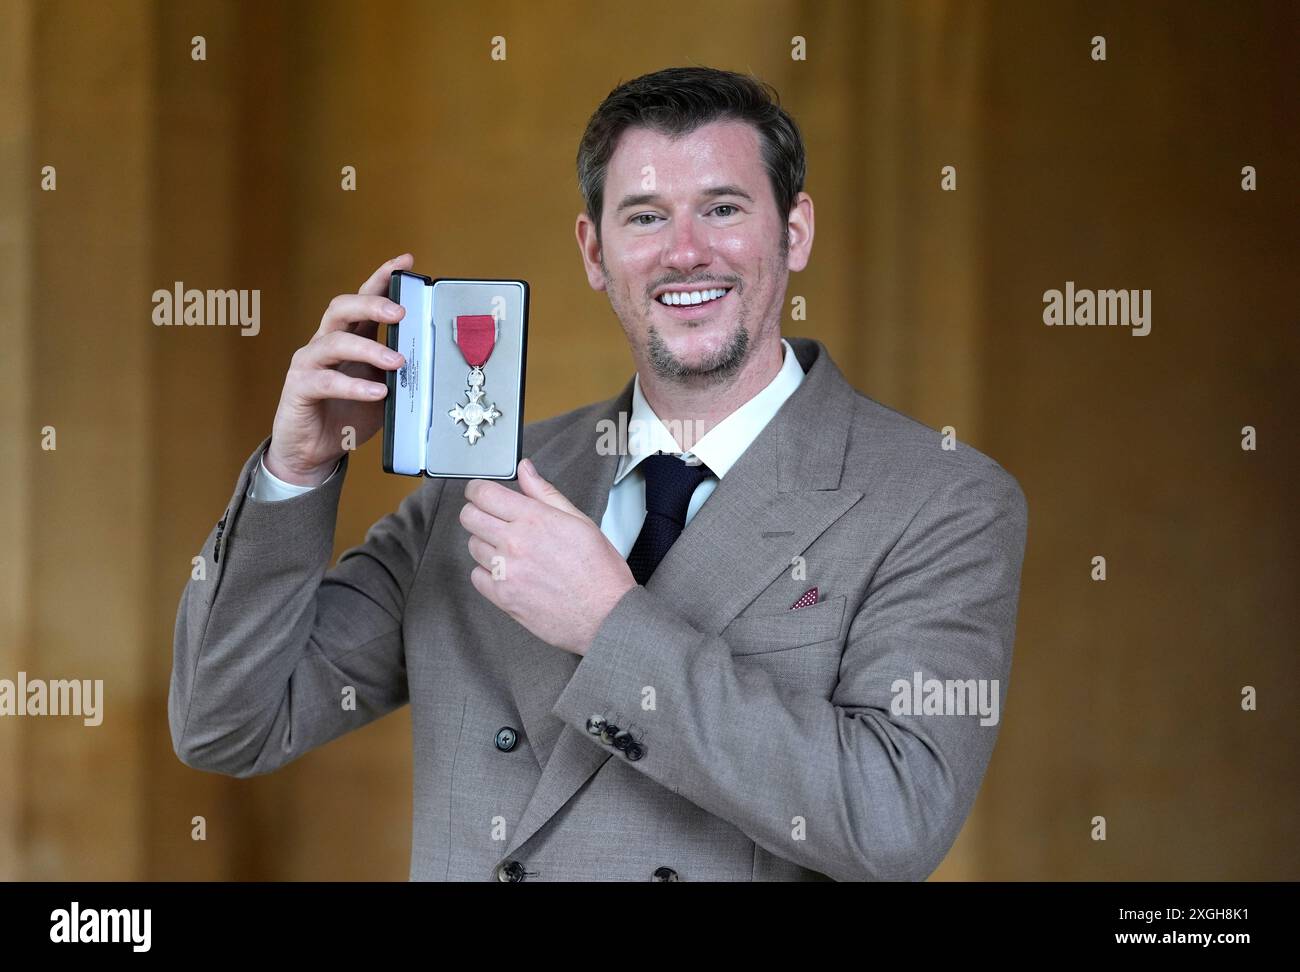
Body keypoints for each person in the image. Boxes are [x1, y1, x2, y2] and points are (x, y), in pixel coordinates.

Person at [169, 65, 1028, 882]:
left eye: (722, 208)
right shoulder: (487, 484)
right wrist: (297, 471)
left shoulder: (939, 498)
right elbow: (227, 724)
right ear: (593, 250)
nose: (686, 253)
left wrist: (610, 624)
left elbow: (893, 821)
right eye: (645, 217)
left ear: (793, 231)